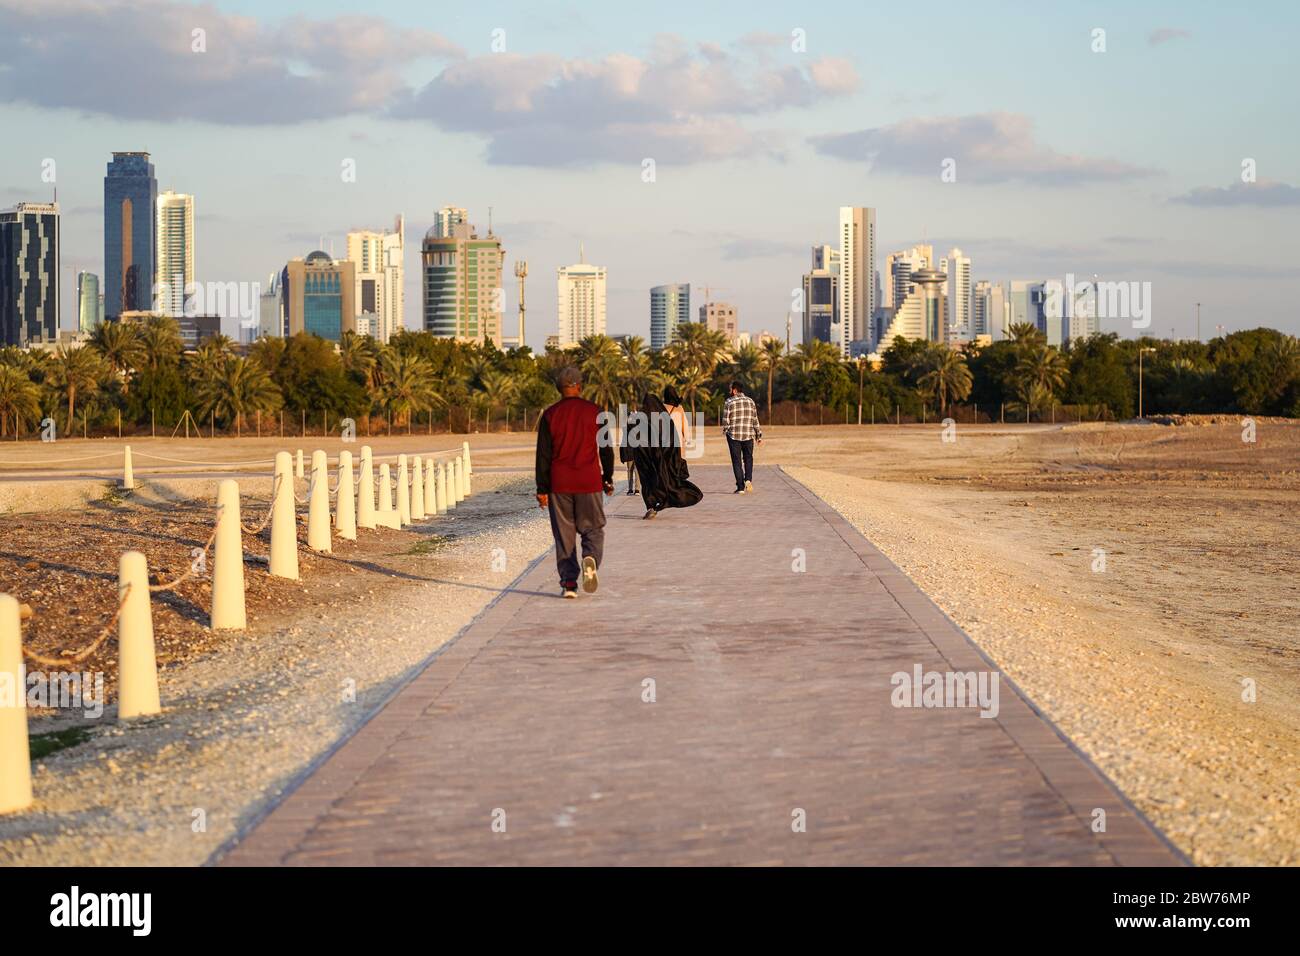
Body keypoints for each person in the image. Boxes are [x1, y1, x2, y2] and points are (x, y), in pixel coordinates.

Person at [535, 367, 614, 598]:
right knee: (594, 529)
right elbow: (606, 449)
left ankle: (569, 583)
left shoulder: (550, 415)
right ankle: (590, 558)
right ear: (579, 386)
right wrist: (607, 478)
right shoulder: (595, 411)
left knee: (564, 534)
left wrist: (542, 489)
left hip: (559, 484)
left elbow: (543, 456)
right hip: (588, 481)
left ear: (558, 388)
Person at [630, 392, 702, 519]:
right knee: (663, 480)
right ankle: (660, 503)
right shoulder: (664, 418)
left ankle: (651, 507)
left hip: (646, 460)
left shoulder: (641, 417)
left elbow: (635, 440)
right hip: (660, 458)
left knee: (647, 483)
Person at [722, 380, 763, 494]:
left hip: (734, 436)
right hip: (748, 435)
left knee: (737, 461)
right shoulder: (751, 401)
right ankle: (748, 479)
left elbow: (725, 421)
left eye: (730, 389)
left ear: (734, 391)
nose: (729, 391)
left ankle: (740, 487)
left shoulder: (729, 402)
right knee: (748, 458)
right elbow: (755, 420)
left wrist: (726, 430)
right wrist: (758, 435)